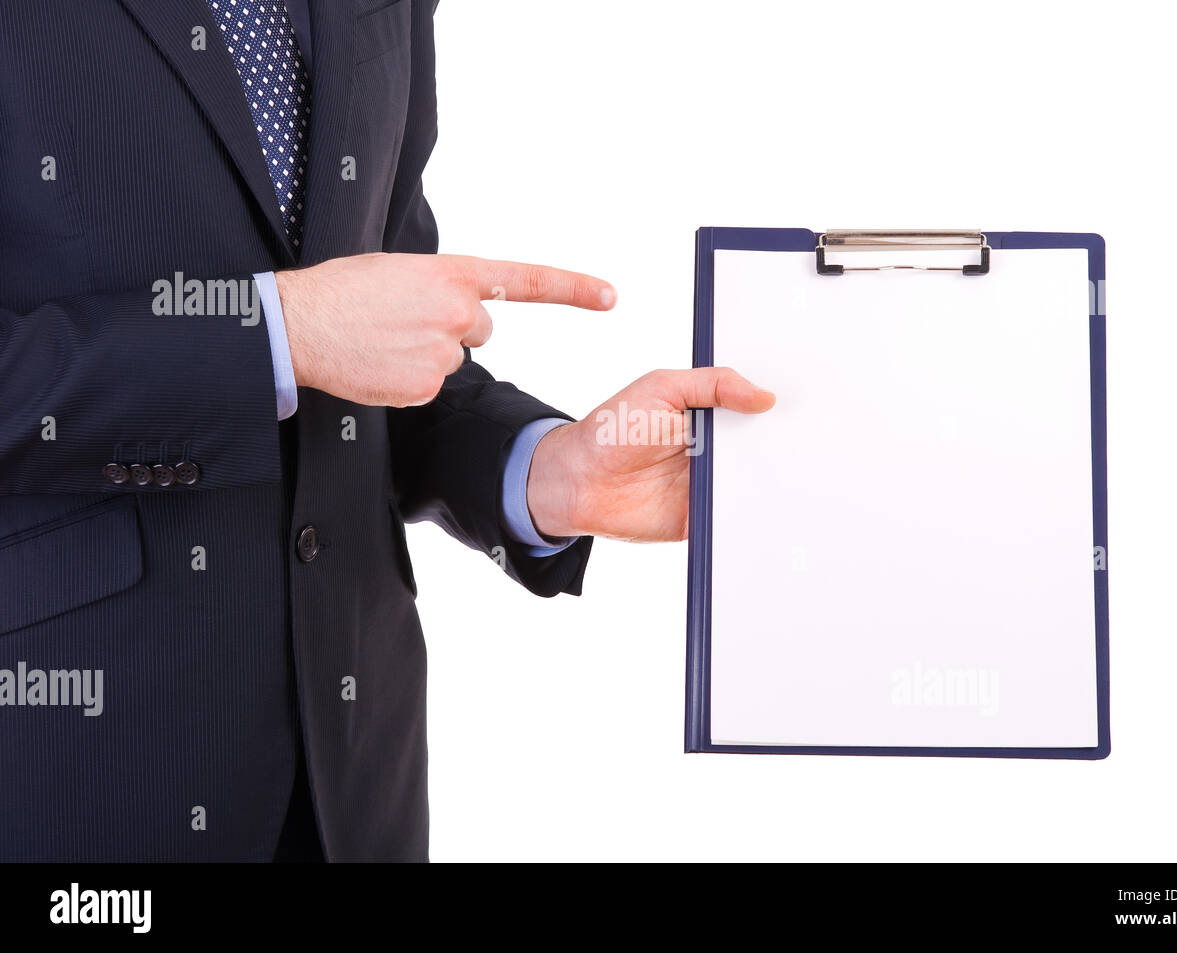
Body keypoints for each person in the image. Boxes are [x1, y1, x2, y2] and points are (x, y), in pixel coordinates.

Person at [0, 0, 772, 861]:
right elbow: (314, 332)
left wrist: (545, 471)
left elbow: (367, 332)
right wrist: (274, 333)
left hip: (358, 781)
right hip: (70, 777)